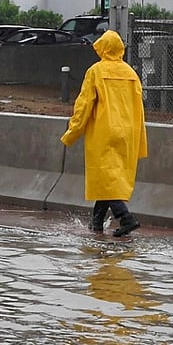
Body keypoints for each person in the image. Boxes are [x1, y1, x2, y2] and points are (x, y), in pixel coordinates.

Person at [60, 30, 148, 237]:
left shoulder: (96, 71)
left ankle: (126, 217)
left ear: (102, 47)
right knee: (109, 177)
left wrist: (72, 132)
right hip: (128, 132)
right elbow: (140, 109)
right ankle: (96, 223)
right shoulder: (130, 73)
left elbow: (83, 106)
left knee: (104, 176)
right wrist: (140, 140)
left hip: (104, 131)